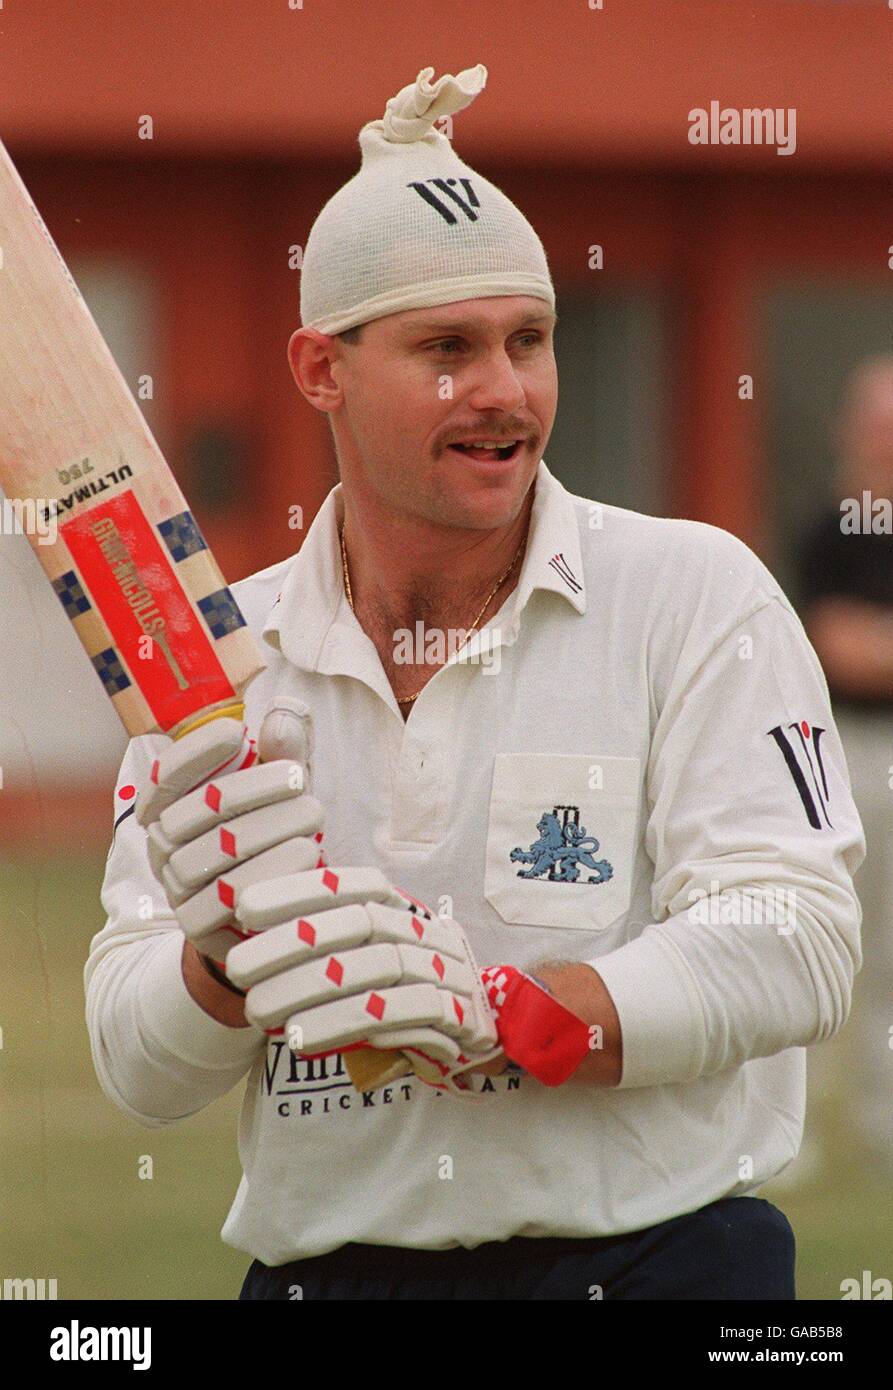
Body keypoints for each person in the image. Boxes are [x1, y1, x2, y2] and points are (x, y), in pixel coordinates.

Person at [86, 63, 864, 1301]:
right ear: (318, 369)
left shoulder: (691, 592)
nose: (504, 390)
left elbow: (799, 937)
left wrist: (513, 1011)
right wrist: (221, 961)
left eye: (530, 339)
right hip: (332, 1277)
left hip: (662, 1264)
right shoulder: (224, 657)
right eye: (446, 346)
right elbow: (138, 1065)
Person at [796, 357, 893, 1180]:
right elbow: (838, 647)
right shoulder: (830, 531)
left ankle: (882, 1117)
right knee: (830, 930)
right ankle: (797, 1123)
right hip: (848, 756)